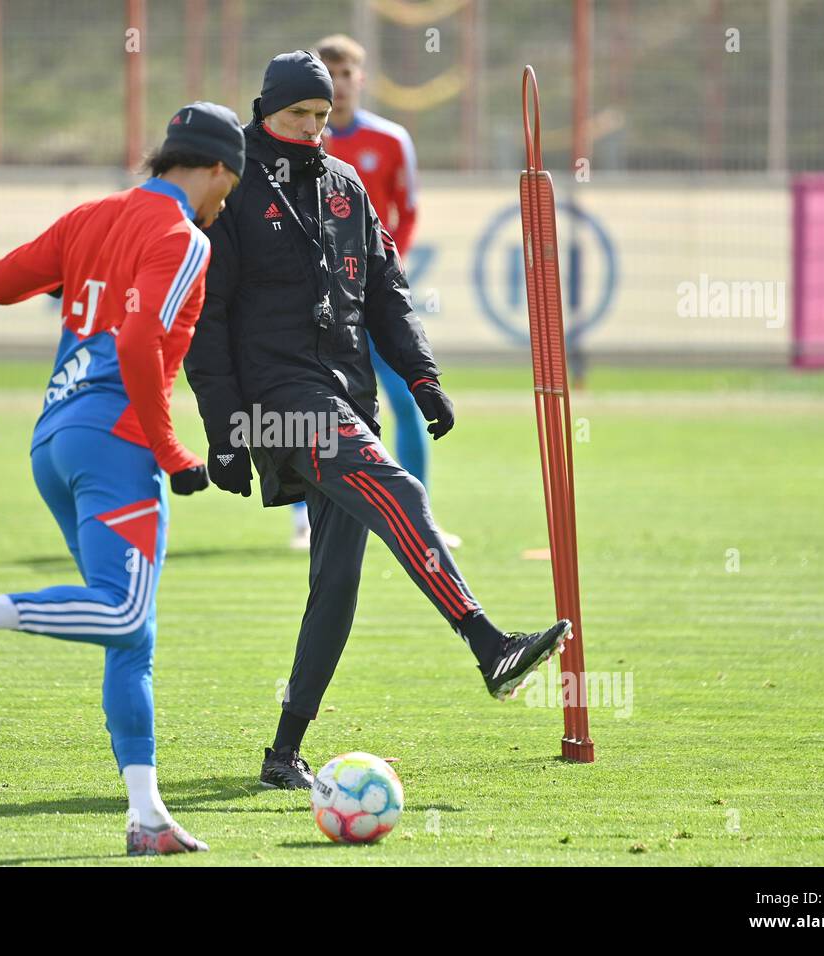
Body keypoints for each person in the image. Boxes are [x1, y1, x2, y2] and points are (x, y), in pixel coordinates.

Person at [184, 52, 570, 791]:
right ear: (266, 109)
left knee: (336, 581)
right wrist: (225, 430)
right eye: (298, 114)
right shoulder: (234, 188)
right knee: (404, 491)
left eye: (322, 116)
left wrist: (422, 378)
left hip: (344, 395)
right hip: (278, 405)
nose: (311, 128)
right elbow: (210, 321)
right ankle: (488, 642)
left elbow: (387, 289)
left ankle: (282, 753)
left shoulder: (345, 185)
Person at [0, 102, 244, 854]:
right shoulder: (184, 239)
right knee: (126, 615)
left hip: (53, 440)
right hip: (117, 441)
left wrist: (79, 277)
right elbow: (137, 337)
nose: (226, 201)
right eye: (230, 185)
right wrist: (172, 451)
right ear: (218, 170)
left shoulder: (92, 218)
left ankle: (146, 815)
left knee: (130, 633)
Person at [308, 34, 459, 552]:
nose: (340, 86)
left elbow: (407, 212)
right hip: (316, 303)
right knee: (315, 405)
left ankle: (421, 515)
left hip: (372, 295)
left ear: (360, 78)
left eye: (346, 74)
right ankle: (310, 518)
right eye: (329, 76)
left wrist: (386, 269)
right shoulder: (302, 142)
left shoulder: (391, 140)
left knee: (406, 399)